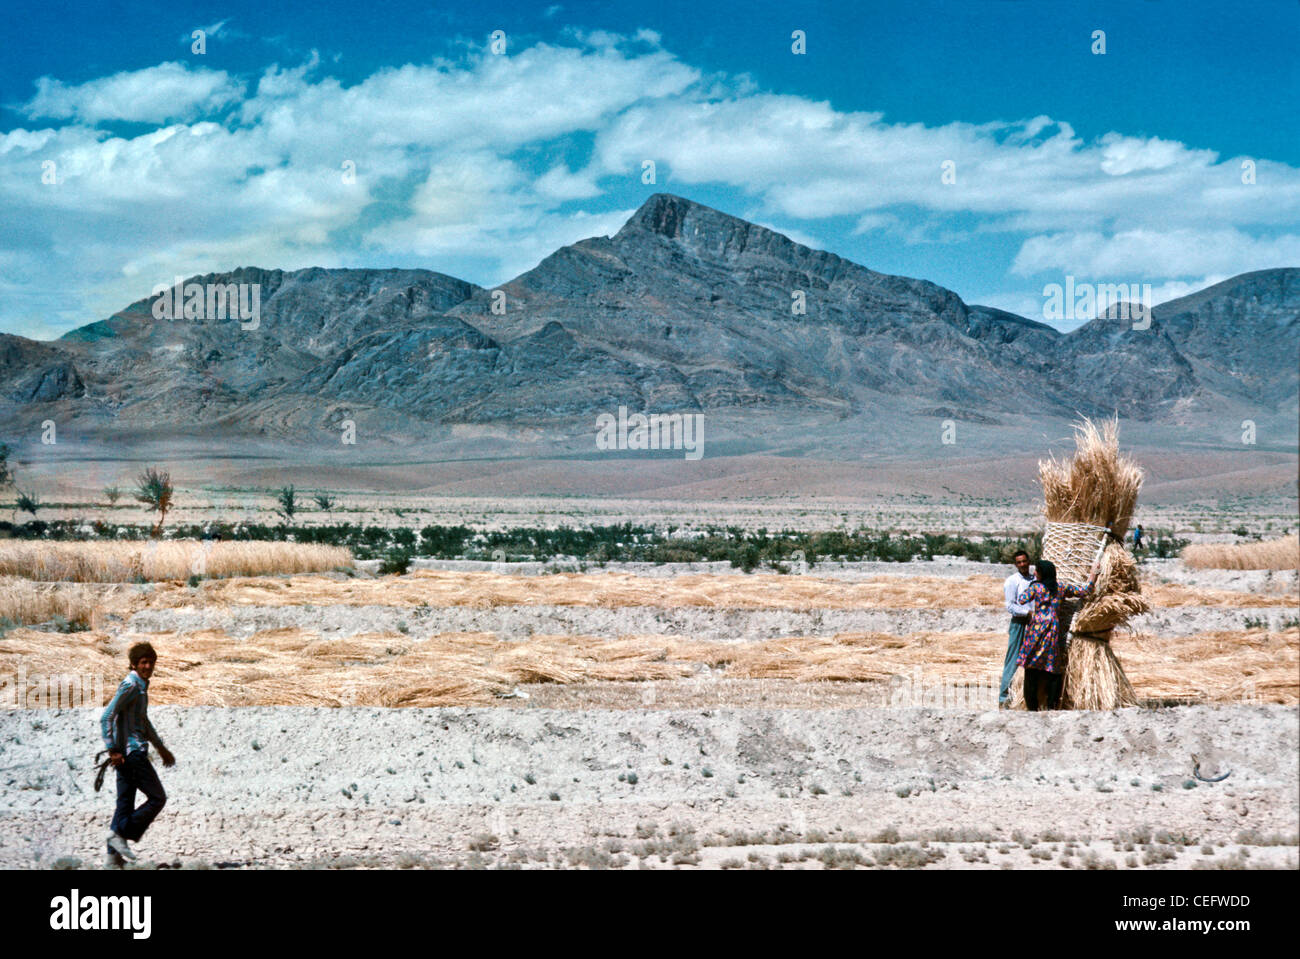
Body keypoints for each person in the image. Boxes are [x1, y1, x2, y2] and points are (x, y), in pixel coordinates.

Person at [101, 642, 175, 867]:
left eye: (151, 662)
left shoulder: (141, 686)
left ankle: (112, 860)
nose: (148, 666)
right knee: (157, 798)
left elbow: (142, 720)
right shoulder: (131, 684)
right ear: (134, 664)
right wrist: (112, 748)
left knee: (124, 804)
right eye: (143, 662)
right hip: (131, 753)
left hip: (126, 754)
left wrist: (160, 747)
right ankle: (120, 834)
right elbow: (107, 716)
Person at [1016, 558, 1098, 710]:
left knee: (1031, 667)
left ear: (1041, 573)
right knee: (1052, 668)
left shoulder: (1037, 588)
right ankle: (1052, 706)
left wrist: (1032, 585)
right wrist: (1093, 575)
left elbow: (1021, 600)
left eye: (1036, 571)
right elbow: (1084, 591)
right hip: (1052, 630)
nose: (1034, 573)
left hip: (1036, 630)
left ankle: (1032, 707)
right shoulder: (1060, 587)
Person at [999, 549, 1034, 707]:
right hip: (1019, 623)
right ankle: (1004, 698)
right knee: (1013, 660)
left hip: (1034, 624)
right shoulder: (1012, 581)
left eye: (1024, 561)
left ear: (1029, 561)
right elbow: (1010, 606)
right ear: (1016, 564)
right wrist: (1027, 612)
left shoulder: (1035, 579)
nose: (1022, 564)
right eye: (1019, 562)